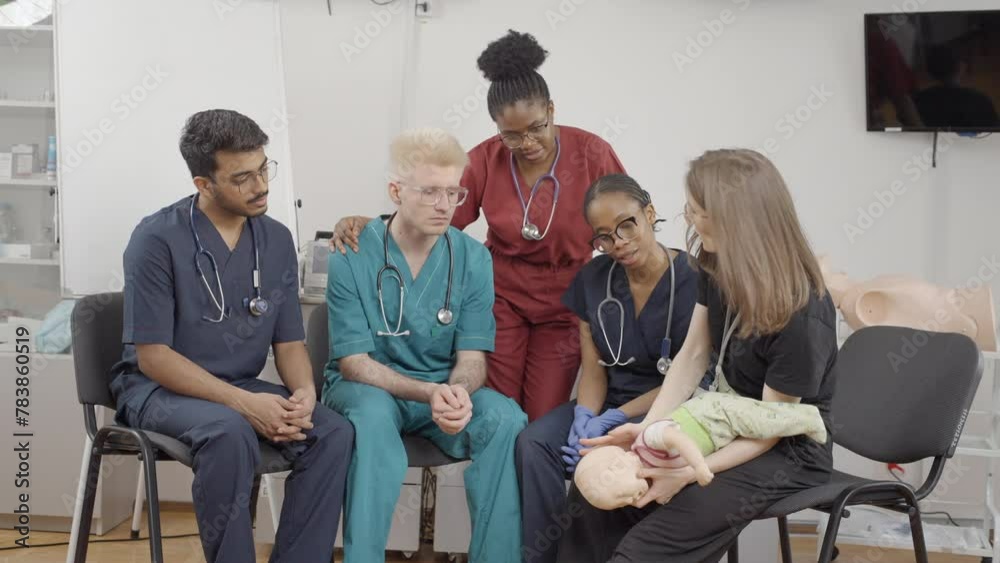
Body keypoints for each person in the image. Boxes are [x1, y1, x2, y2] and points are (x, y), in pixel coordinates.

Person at [329, 30, 627, 421]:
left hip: (566, 298)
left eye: (537, 127)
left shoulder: (591, 153)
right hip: (503, 297)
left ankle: (531, 482)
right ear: (495, 128)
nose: (527, 142)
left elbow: (622, 220)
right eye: (511, 135)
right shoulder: (485, 159)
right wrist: (369, 222)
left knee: (542, 414)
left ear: (552, 111)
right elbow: (434, 213)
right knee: (500, 407)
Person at [557, 149, 838, 563]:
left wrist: (686, 471)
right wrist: (649, 430)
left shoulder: (803, 311)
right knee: (598, 489)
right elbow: (692, 355)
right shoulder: (717, 265)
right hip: (719, 422)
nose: (686, 216)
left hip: (786, 449)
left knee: (649, 543)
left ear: (733, 216)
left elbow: (769, 426)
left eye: (696, 208)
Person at [110, 109, 352, 563]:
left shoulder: (275, 240)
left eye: (263, 169)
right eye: (242, 178)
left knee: (332, 431)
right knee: (229, 431)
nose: (260, 186)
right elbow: (154, 357)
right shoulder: (156, 239)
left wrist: (303, 392)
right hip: (156, 389)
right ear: (205, 184)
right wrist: (243, 404)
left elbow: (288, 343)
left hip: (238, 385)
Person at [321, 127, 528, 563]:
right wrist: (429, 393)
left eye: (453, 192)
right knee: (374, 418)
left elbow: (472, 358)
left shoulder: (472, 258)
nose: (444, 205)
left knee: (505, 419)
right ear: (396, 191)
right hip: (368, 388)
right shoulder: (350, 253)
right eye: (430, 192)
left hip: (439, 388)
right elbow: (355, 363)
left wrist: (456, 392)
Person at [515, 173, 699, 563]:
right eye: (604, 236)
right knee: (534, 444)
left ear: (649, 213)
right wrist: (585, 414)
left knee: (604, 465)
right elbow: (594, 366)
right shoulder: (594, 279)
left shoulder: (695, 280)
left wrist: (615, 418)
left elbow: (690, 376)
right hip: (608, 402)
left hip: (672, 407)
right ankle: (544, 558)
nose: (618, 243)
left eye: (626, 226)